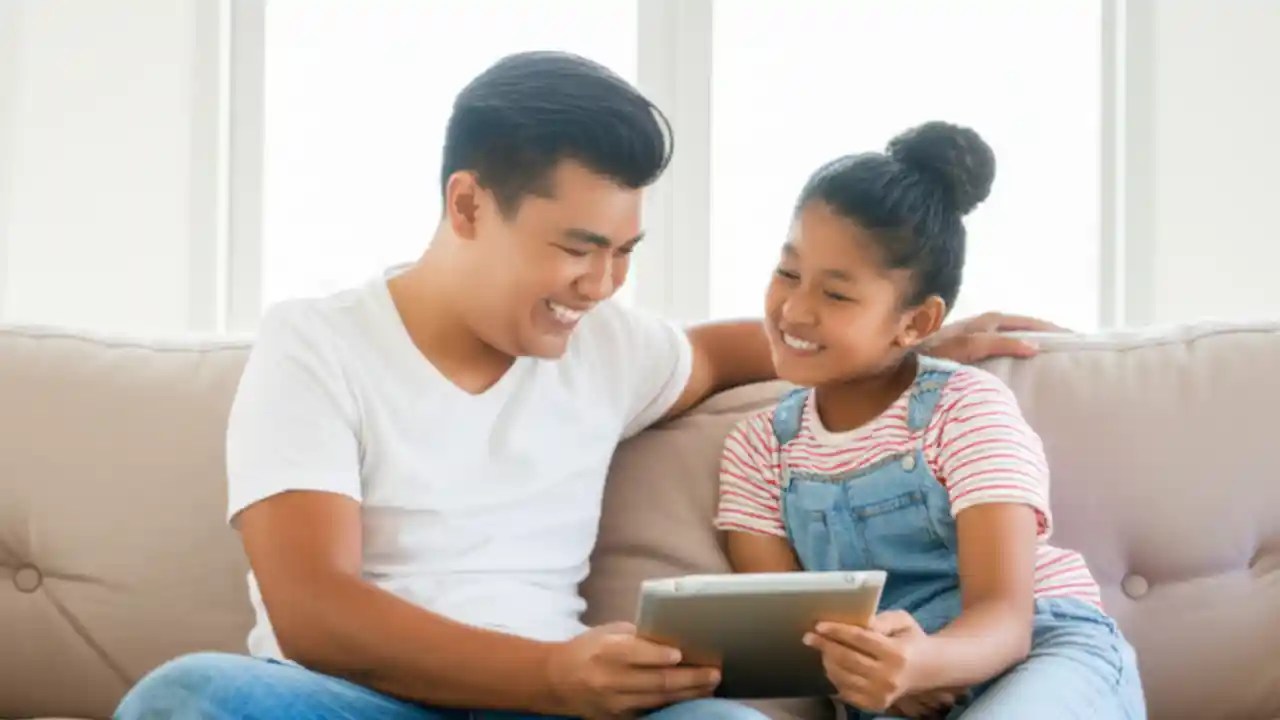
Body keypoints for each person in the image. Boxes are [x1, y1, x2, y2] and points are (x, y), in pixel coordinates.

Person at [115, 53, 1059, 720]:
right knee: (187, 701)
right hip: (360, 704)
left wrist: (902, 345)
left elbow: (749, 349)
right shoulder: (315, 344)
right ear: (468, 204)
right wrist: (550, 675)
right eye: (577, 249)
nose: (602, 287)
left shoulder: (610, 347)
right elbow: (313, 610)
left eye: (623, 254)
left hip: (567, 713)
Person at [715, 121, 1146, 719]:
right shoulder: (758, 449)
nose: (793, 309)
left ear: (916, 324)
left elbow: (1005, 620)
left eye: (836, 295)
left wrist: (922, 661)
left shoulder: (965, 409)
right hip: (890, 694)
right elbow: (792, 626)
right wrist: (877, 675)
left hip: (1044, 654)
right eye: (788, 273)